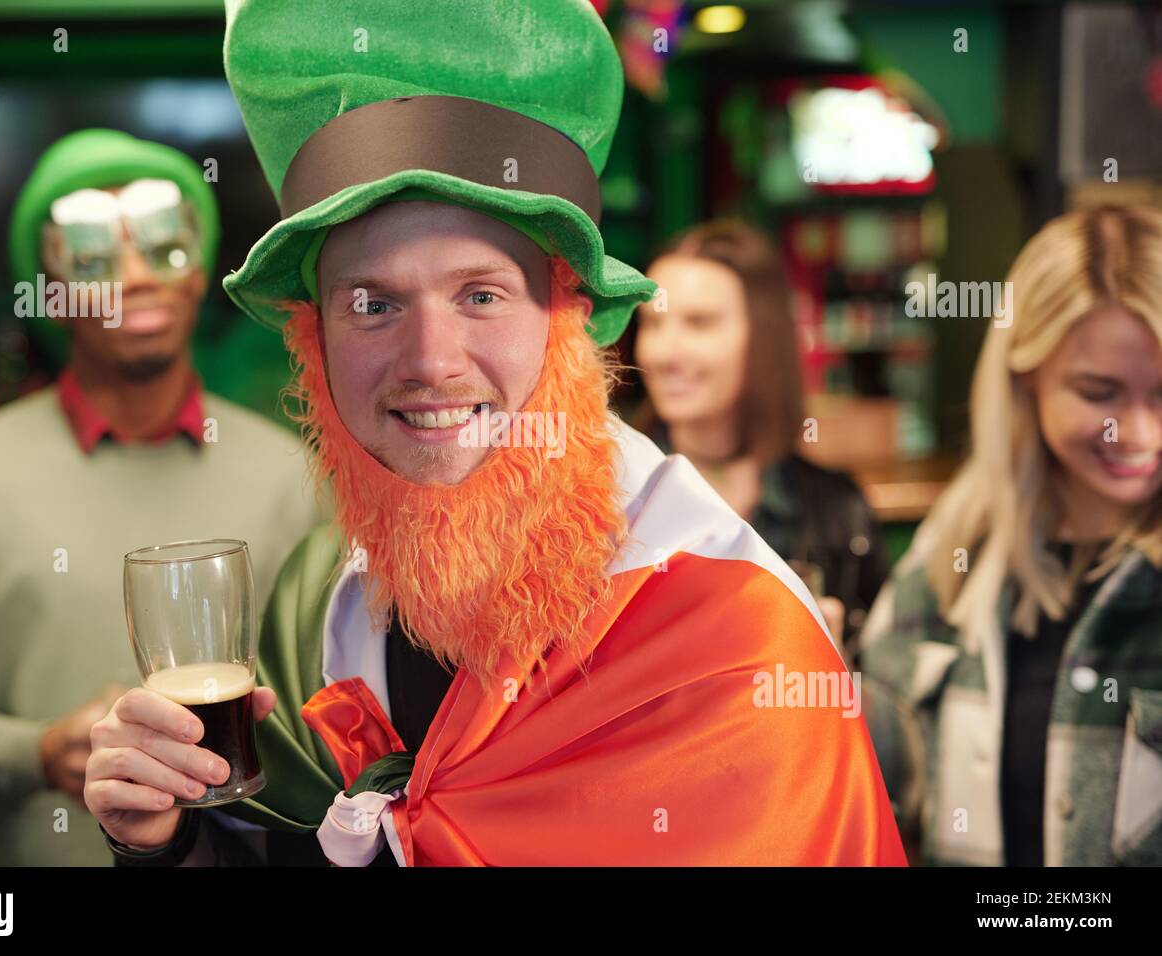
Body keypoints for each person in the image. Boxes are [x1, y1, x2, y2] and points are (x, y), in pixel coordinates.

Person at [85, 0, 905, 867]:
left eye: (482, 294)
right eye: (373, 304)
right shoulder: (315, 603)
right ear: (312, 342)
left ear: (569, 317)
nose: (431, 363)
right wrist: (164, 838)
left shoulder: (733, 638)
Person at [0, 129, 321, 865]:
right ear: (49, 289)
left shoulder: (295, 476)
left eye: (164, 248)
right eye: (95, 257)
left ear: (200, 270)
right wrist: (35, 752)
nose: (135, 277)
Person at [860, 205, 1162, 866]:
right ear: (1026, 377)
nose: (1140, 433)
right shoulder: (952, 554)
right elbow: (865, 789)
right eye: (1100, 393)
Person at [634, 220, 888, 653]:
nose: (665, 352)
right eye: (653, 324)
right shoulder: (606, 495)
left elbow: (878, 695)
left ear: (762, 335)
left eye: (699, 323)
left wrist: (830, 660)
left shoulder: (835, 511)